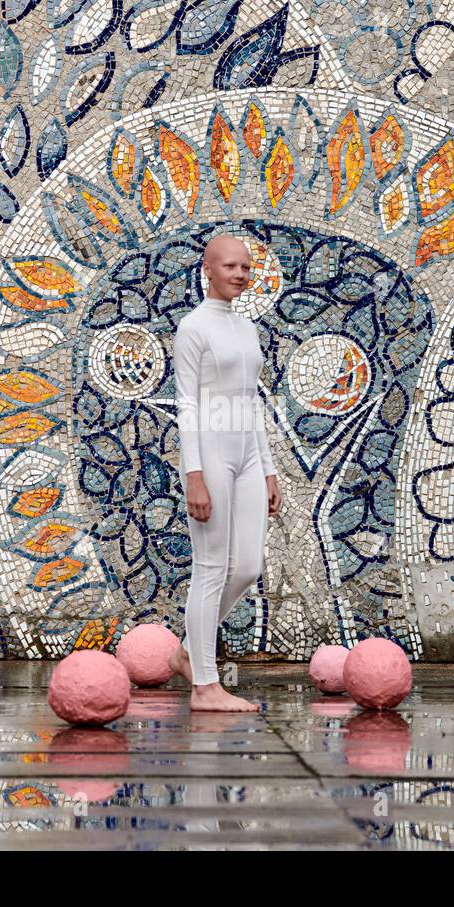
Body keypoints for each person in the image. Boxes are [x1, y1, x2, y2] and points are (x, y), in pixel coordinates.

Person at [167, 234, 282, 712]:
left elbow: (251, 401)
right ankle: (205, 688)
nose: (240, 274)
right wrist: (194, 473)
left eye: (246, 268)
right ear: (208, 270)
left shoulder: (246, 328)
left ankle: (189, 652)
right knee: (211, 567)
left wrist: (270, 467)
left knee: (249, 565)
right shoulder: (193, 328)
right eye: (231, 266)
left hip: (247, 453)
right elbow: (187, 405)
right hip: (210, 452)